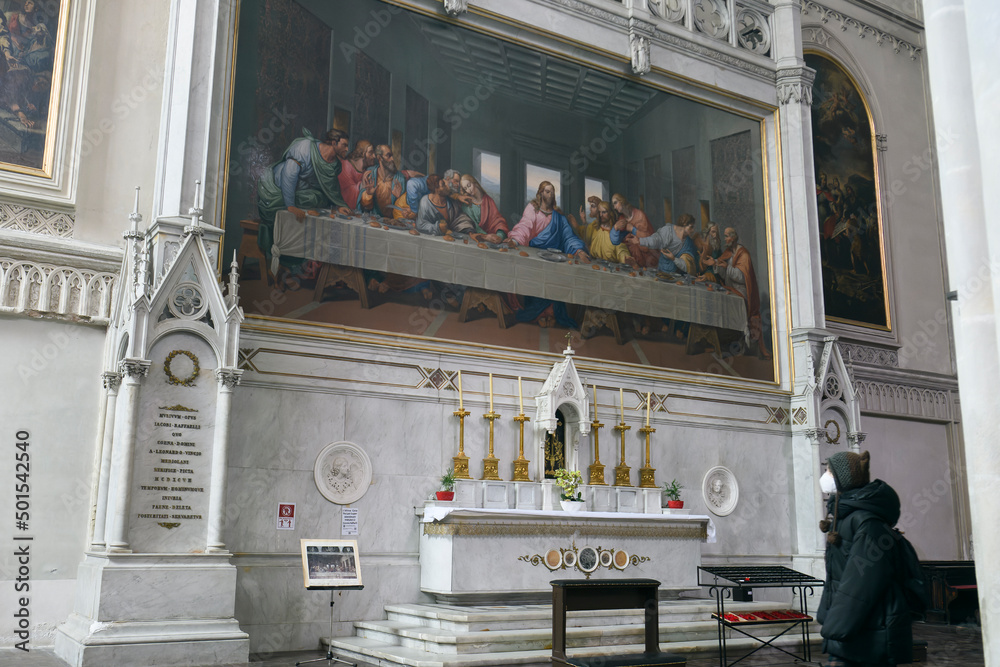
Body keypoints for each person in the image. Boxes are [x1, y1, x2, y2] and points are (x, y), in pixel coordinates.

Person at [817, 451, 913, 667]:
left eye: (829, 471)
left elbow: (860, 583)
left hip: (870, 632)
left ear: (843, 478)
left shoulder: (867, 523)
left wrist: (835, 627)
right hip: (855, 630)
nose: (825, 476)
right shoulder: (845, 518)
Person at [256, 128, 353, 276]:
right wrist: (290, 205)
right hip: (276, 189)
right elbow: (289, 175)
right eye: (344, 145)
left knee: (317, 199)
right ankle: (284, 265)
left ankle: (295, 266)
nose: (347, 149)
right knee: (300, 211)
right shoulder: (305, 148)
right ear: (334, 143)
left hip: (301, 191)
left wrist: (340, 205)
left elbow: (331, 187)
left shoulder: (334, 164)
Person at [705, 227, 770, 358]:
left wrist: (727, 267)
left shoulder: (744, 255)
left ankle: (735, 344)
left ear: (733, 237)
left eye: (727, 236)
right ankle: (722, 342)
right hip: (730, 289)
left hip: (741, 291)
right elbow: (724, 275)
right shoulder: (728, 252)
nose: (725, 239)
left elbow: (741, 277)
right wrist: (716, 265)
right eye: (724, 236)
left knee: (731, 309)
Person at [508, 181, 590, 262]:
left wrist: (578, 250)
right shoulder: (533, 209)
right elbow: (524, 226)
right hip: (533, 253)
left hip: (555, 257)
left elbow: (569, 237)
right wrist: (515, 240)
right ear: (541, 193)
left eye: (552, 193)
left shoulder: (559, 217)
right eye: (547, 192)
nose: (550, 195)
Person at [617, 212, 698, 274]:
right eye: (691, 227)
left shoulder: (688, 243)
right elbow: (655, 240)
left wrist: (673, 259)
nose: (693, 230)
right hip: (662, 269)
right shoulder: (668, 231)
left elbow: (689, 265)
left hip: (677, 274)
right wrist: (640, 241)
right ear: (684, 224)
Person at [358, 144, 421, 219]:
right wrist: (368, 195)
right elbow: (363, 208)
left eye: (392, 156)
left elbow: (404, 211)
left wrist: (398, 198)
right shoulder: (370, 175)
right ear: (379, 158)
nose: (392, 159)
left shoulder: (400, 178)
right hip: (374, 220)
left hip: (393, 221)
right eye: (388, 156)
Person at [610, 193, 658, 268]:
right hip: (632, 256)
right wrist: (615, 228)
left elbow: (648, 237)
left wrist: (633, 229)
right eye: (613, 205)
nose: (614, 207)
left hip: (647, 254)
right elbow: (616, 241)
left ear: (622, 201)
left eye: (615, 203)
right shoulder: (622, 219)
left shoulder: (639, 215)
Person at [458, 174, 509, 242]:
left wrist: (499, 235)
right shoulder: (467, 205)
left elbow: (498, 220)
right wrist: (486, 236)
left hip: (493, 238)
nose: (468, 190)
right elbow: (473, 225)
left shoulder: (488, 200)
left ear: (474, 183)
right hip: (478, 238)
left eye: (469, 185)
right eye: (465, 188)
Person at [338, 139, 375, 212]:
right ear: (363, 154)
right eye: (370, 153)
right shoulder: (345, 166)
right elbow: (347, 193)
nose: (374, 156)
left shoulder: (367, 170)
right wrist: (362, 186)